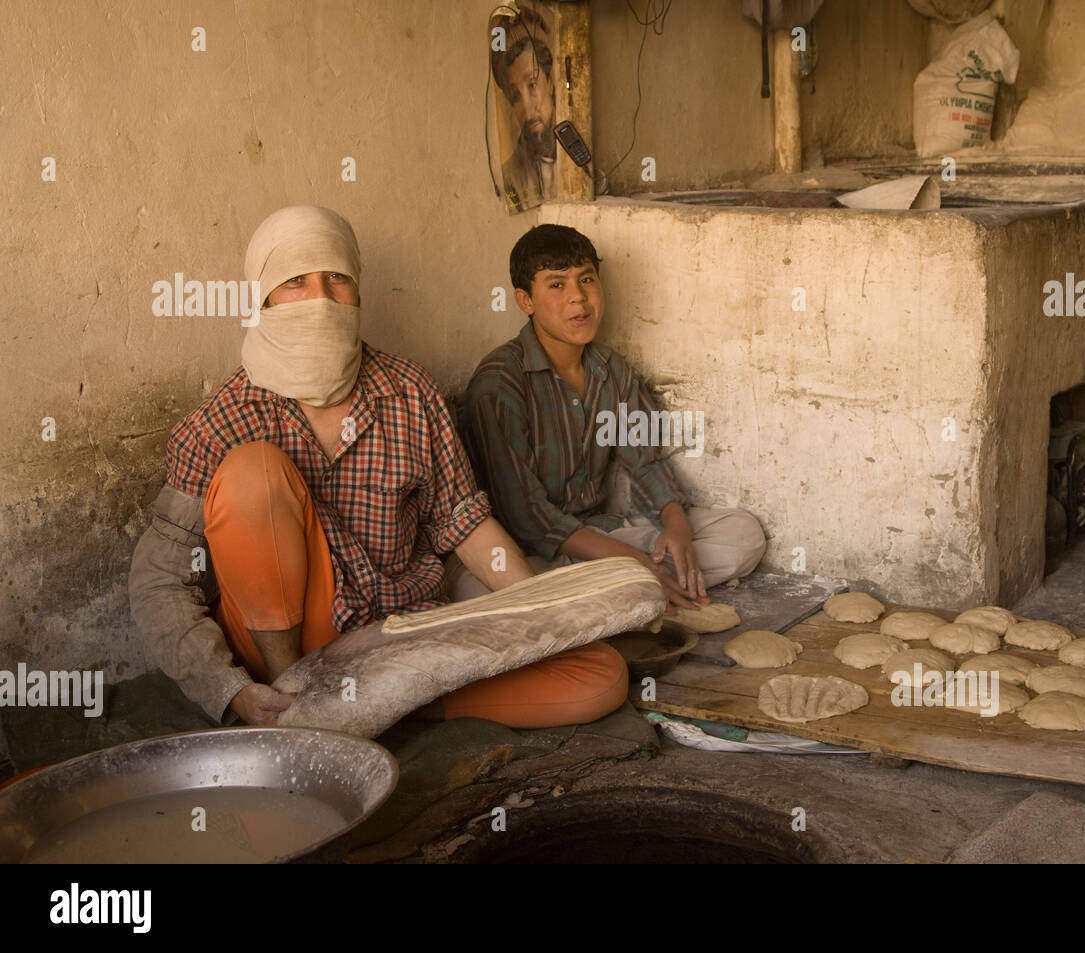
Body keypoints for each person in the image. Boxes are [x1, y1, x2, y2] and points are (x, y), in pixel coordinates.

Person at [128, 207, 627, 729]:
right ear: (264, 298)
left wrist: (539, 612)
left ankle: (380, 706)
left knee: (599, 673)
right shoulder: (222, 419)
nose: (320, 297)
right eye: (295, 280)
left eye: (336, 279)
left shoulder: (409, 391)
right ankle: (300, 702)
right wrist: (229, 691)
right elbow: (162, 581)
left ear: (358, 292)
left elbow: (466, 525)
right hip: (286, 649)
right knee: (253, 473)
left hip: (396, 640)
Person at [455, 224, 767, 609]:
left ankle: (621, 598)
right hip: (528, 555)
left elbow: (645, 463)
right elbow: (527, 518)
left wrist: (676, 528)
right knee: (476, 590)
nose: (579, 300)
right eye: (556, 285)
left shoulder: (611, 370)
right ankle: (631, 591)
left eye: (586, 279)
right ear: (525, 300)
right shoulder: (500, 384)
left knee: (743, 535)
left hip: (601, 537)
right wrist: (634, 562)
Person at [490, 7, 557, 213]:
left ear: (551, 82)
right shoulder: (513, 176)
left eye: (532, 84)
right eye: (515, 95)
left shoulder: (578, 160)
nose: (527, 108)